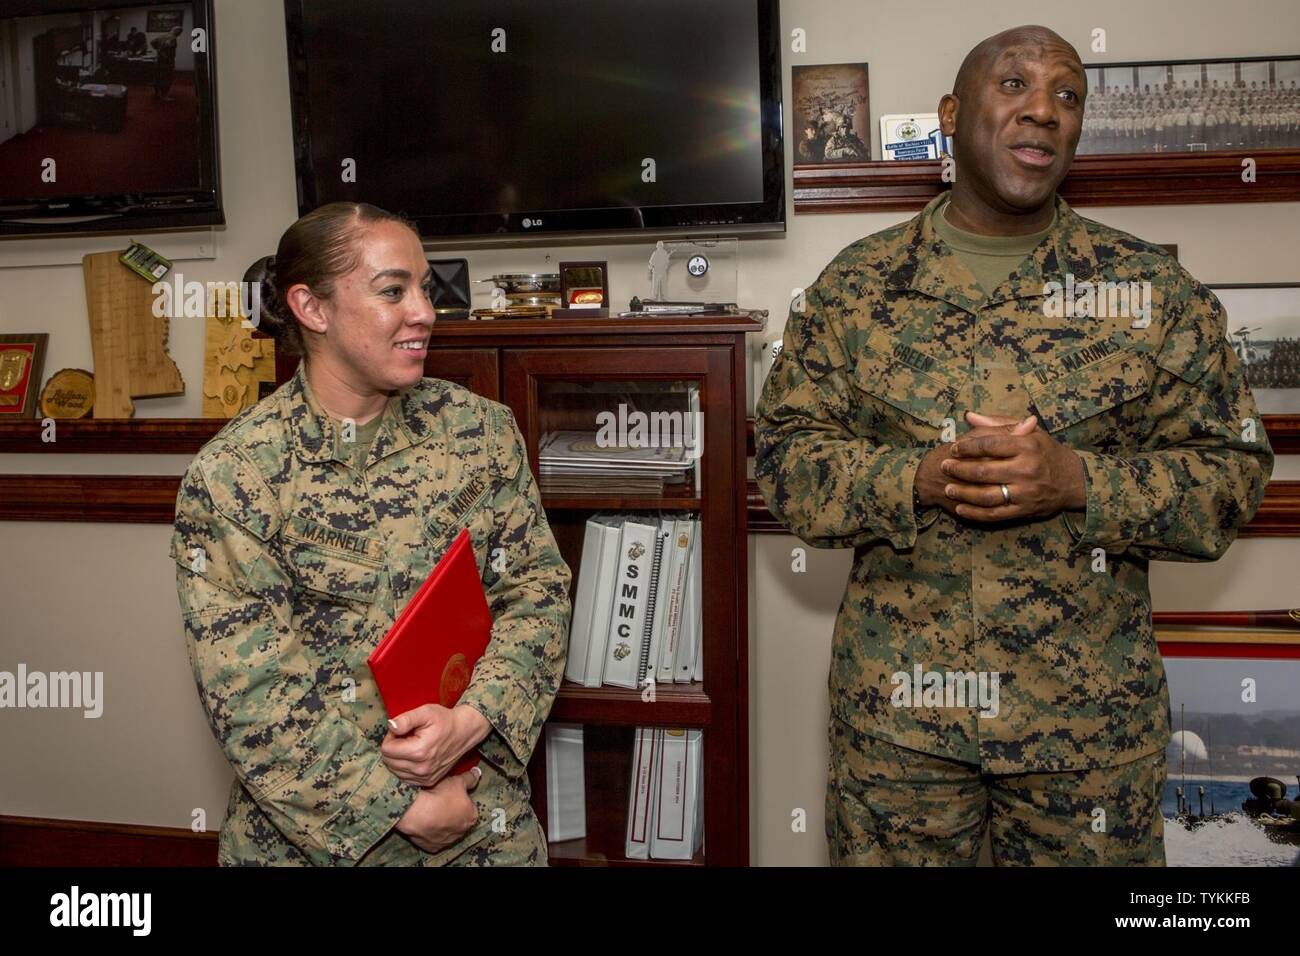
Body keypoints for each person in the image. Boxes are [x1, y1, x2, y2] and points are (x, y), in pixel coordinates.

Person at [755, 25, 1272, 866]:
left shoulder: (1150, 290)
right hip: (902, 737)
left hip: (1089, 738)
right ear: (952, 116)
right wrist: (915, 478)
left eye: (1067, 96)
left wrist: (1082, 483)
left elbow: (1233, 476)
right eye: (1016, 85)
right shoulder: (852, 289)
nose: (1043, 111)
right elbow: (783, 461)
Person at [171, 202, 572, 865]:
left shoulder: (480, 431)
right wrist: (404, 808)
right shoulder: (236, 477)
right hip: (320, 844)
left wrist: (470, 723)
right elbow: (254, 699)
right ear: (312, 308)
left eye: (425, 286)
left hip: (481, 822)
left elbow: (537, 596)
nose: (425, 310)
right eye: (394, 291)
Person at [150, 25, 182, 100]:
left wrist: (158, 50)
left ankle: (157, 93)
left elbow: (152, 42)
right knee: (167, 78)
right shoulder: (172, 38)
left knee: (158, 76)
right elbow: (166, 47)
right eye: (180, 33)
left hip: (159, 60)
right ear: (177, 32)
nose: (180, 34)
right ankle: (164, 95)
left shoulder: (162, 35)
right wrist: (163, 53)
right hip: (167, 61)